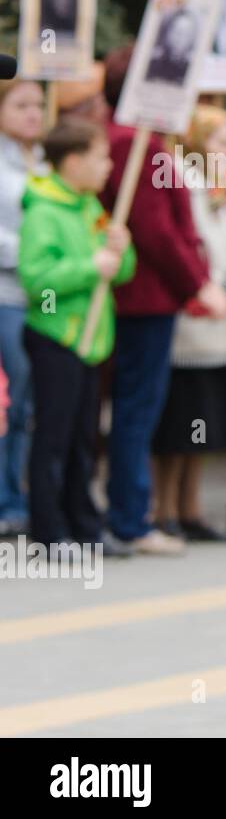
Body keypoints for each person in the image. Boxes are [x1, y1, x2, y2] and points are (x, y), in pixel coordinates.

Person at [102, 44, 226, 557]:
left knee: (132, 407)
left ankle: (128, 513)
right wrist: (198, 283)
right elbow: (157, 232)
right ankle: (131, 518)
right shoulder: (138, 145)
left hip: (140, 295)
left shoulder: (128, 139)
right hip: (146, 297)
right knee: (138, 408)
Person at [19, 119, 135, 552]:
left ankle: (84, 522)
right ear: (72, 161)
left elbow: (120, 271)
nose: (108, 166)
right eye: (100, 157)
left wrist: (120, 253)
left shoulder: (91, 206)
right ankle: (49, 530)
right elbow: (38, 280)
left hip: (92, 340)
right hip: (57, 337)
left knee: (85, 436)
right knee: (54, 436)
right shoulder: (44, 209)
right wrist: (92, 267)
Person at [151, 106, 226, 543]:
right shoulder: (183, 182)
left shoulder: (218, 191)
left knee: (204, 416)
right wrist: (202, 288)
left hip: (220, 313)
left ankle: (191, 506)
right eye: (219, 141)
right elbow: (185, 246)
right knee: (179, 417)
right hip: (194, 312)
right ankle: (163, 506)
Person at [0, 80, 45, 536]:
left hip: (45, 301)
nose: (33, 113)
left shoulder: (47, 162)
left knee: (31, 404)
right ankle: (5, 500)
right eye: (21, 105)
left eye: (38, 104)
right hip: (7, 296)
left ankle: (21, 494)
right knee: (8, 404)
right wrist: (34, 256)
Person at [145, 9, 198, 86]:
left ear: (191, 39)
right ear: (167, 33)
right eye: (177, 32)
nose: (179, 39)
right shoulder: (151, 64)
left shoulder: (191, 71)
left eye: (186, 34)